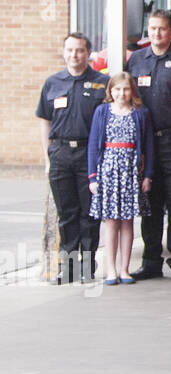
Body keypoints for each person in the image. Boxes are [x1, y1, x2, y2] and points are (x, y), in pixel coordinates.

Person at [126, 10, 171, 281]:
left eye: (162, 29)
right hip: (145, 143)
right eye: (152, 28)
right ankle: (151, 261)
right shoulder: (136, 60)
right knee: (150, 205)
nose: (157, 34)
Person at [38, 33, 108, 284]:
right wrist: (48, 158)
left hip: (88, 155)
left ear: (88, 53)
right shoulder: (53, 82)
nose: (74, 55)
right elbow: (45, 121)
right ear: (64, 52)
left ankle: (87, 267)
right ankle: (67, 268)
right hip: (60, 154)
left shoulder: (102, 83)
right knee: (66, 214)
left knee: (89, 214)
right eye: (69, 50)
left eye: (79, 50)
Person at [87, 73, 154, 285]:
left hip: (131, 171)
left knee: (127, 222)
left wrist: (148, 175)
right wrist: (93, 176)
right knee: (111, 222)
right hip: (108, 170)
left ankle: (125, 269)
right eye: (117, 89)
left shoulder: (140, 114)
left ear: (132, 91)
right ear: (110, 91)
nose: (121, 94)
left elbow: (149, 147)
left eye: (125, 89)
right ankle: (111, 270)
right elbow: (93, 144)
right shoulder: (102, 112)